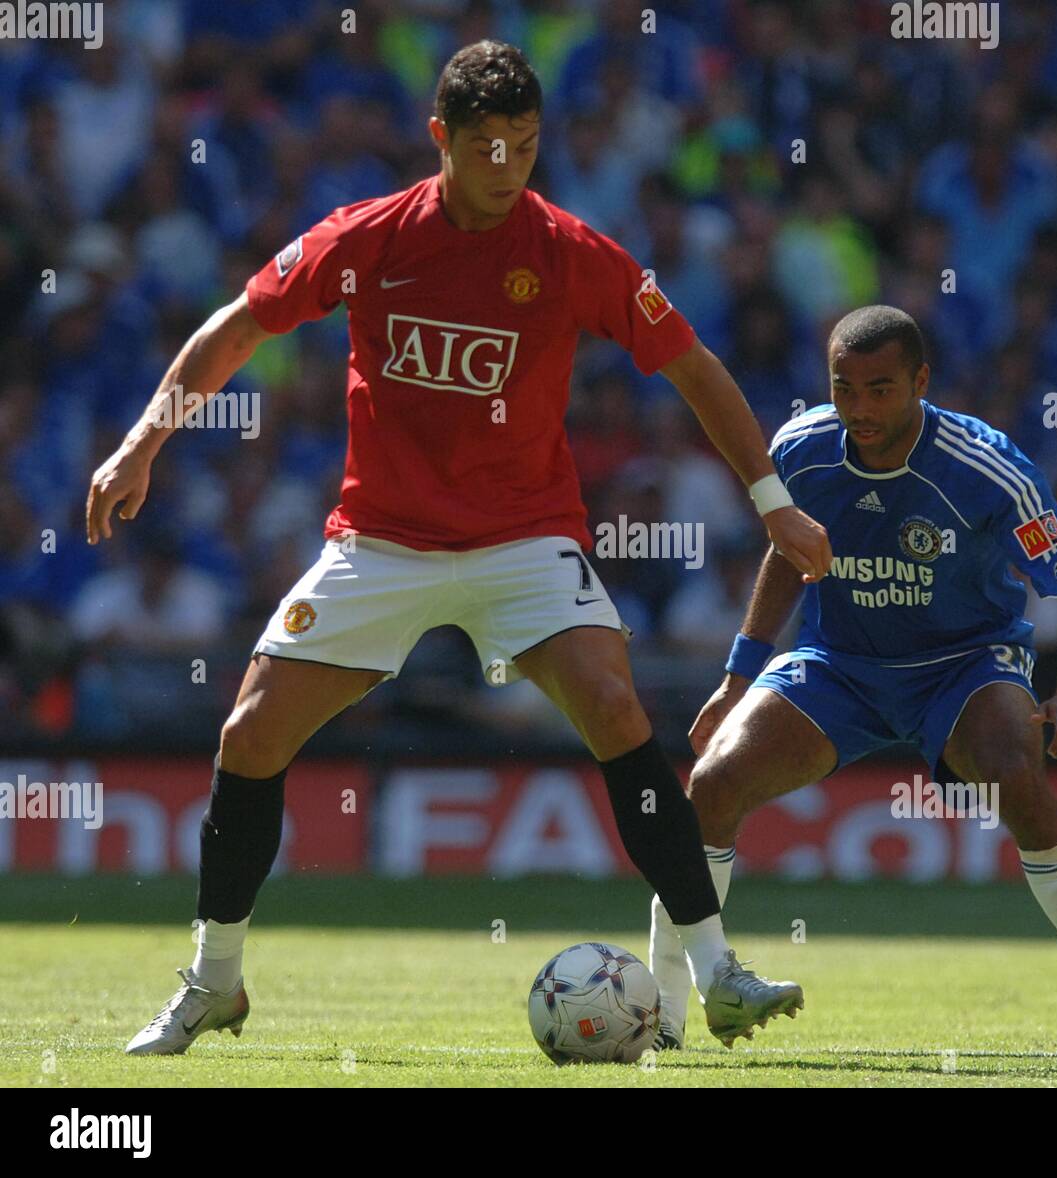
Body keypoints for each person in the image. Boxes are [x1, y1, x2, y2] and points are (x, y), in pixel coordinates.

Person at [85, 40, 831, 1056]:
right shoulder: (368, 236)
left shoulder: (572, 252)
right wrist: (143, 441)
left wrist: (771, 499)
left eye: (525, 144)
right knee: (250, 735)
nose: (507, 165)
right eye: (486, 145)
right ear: (441, 138)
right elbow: (238, 325)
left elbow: (692, 366)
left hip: (525, 539)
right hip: (381, 541)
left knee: (617, 711)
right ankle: (213, 979)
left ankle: (717, 970)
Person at [649, 305, 1057, 1058]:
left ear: (921, 382)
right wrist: (738, 678)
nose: (859, 409)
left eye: (880, 389)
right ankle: (665, 1013)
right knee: (715, 779)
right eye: (844, 389)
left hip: (964, 665)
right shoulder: (799, 452)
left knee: (1011, 771)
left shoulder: (986, 469)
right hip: (840, 665)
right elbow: (786, 550)